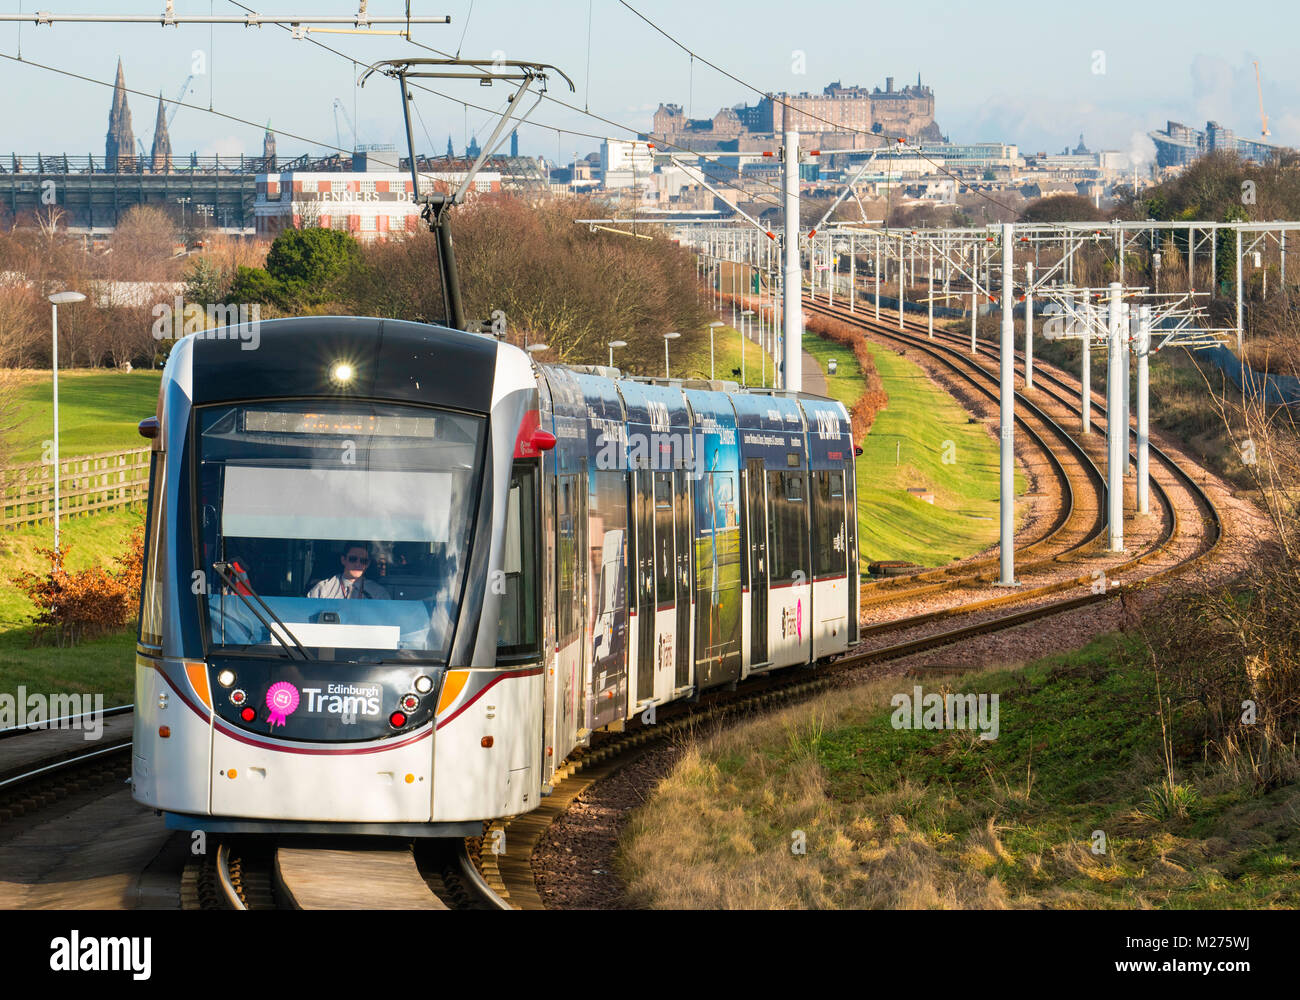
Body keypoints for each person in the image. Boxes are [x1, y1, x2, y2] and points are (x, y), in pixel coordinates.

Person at [307, 541, 390, 600]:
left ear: (367, 564)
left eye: (363, 561)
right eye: (353, 559)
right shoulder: (323, 589)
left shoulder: (378, 593)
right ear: (343, 560)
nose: (358, 564)